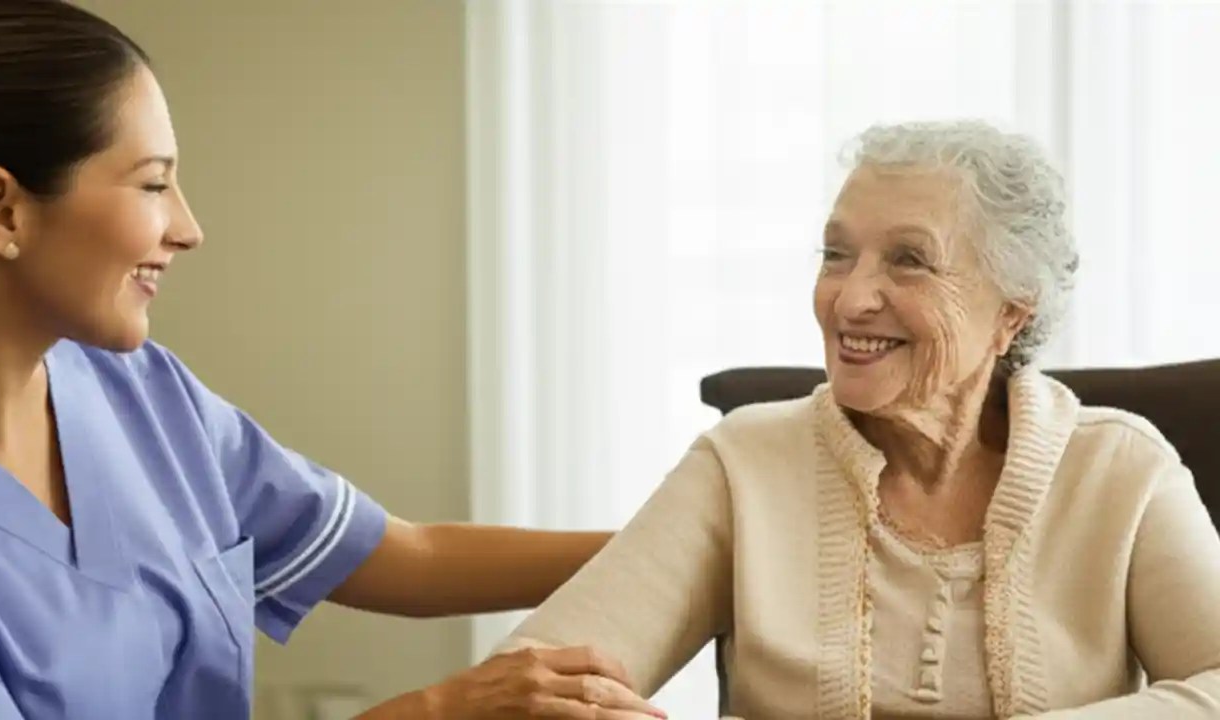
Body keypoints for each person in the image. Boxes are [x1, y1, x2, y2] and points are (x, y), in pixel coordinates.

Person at [0, 2, 665, 718]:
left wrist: (707, 548)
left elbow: (412, 558)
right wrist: (439, 712)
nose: (188, 229)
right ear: (1, 209)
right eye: (154, 183)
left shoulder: (141, 395)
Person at [495, 120, 1220, 718]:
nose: (850, 300)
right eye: (837, 255)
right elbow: (527, 685)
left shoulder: (1121, 470)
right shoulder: (743, 464)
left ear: (1009, 314)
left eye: (908, 261)